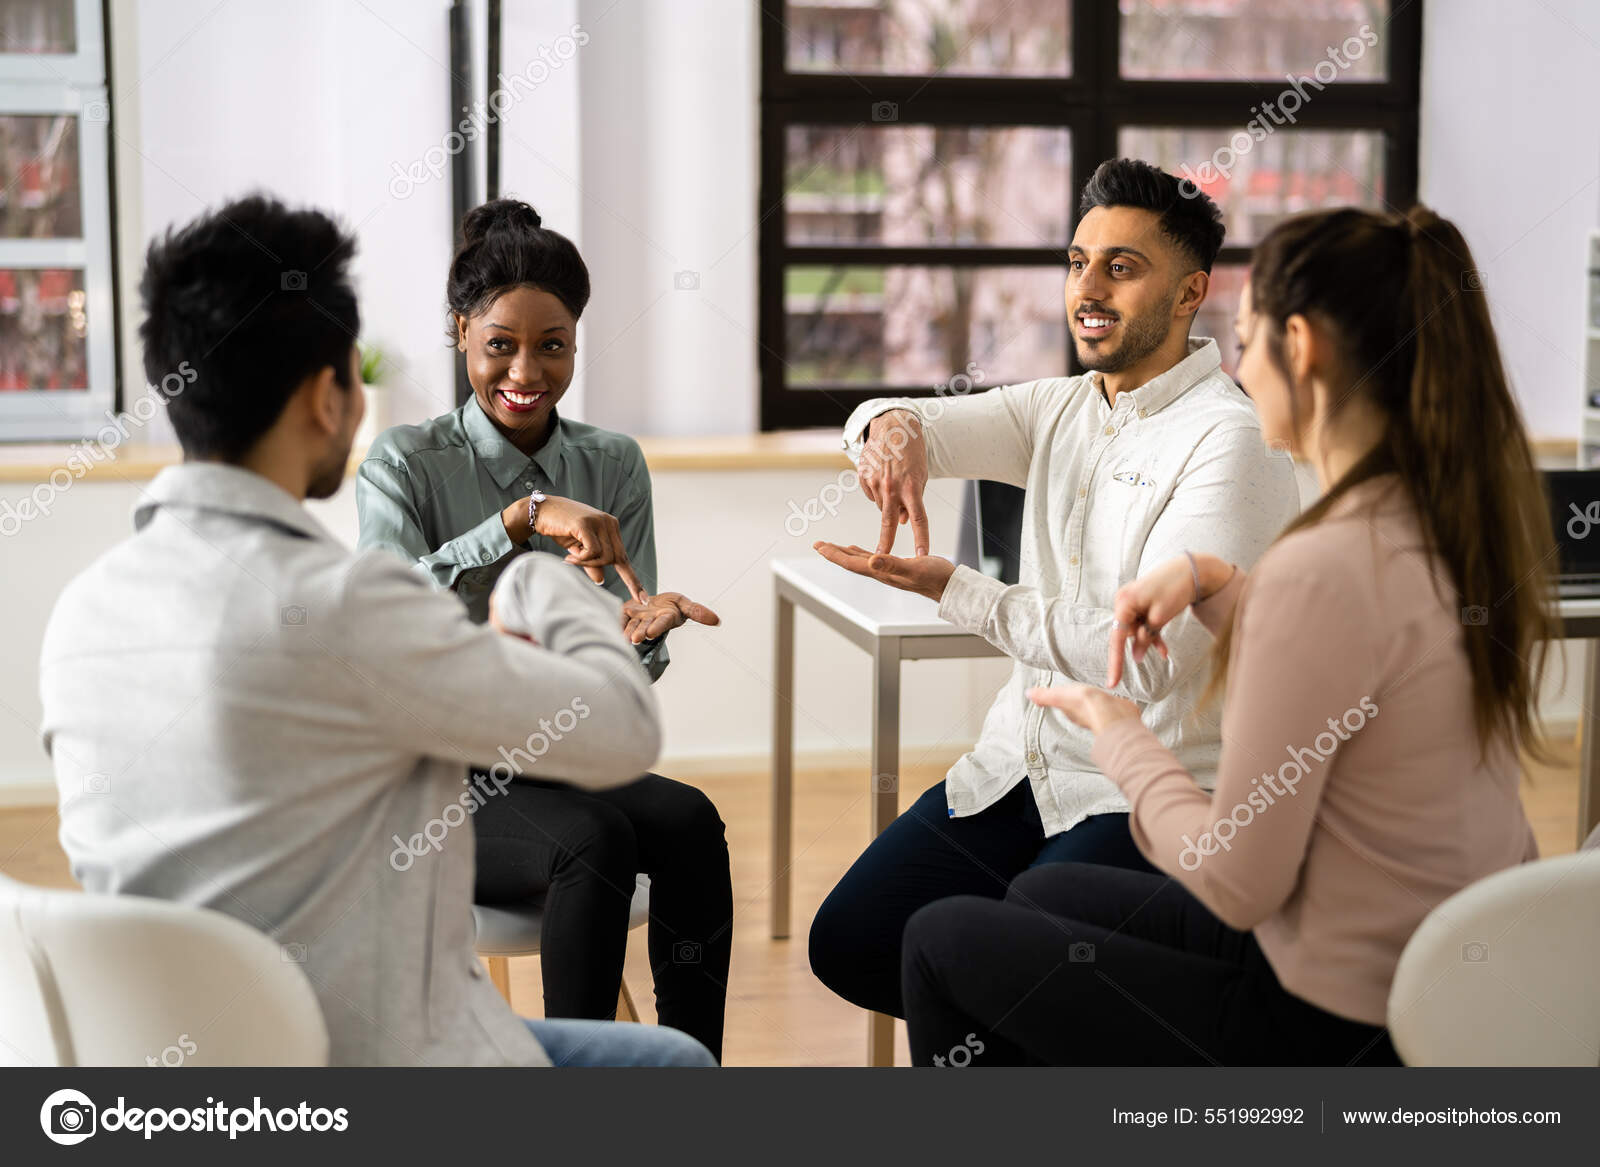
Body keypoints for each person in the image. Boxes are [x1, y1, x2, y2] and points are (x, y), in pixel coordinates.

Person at [38, 194, 714, 1068]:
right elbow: (622, 729)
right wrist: (543, 577)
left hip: (170, 1066)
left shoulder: (82, 611)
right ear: (328, 397)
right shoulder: (349, 600)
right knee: (670, 1061)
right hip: (370, 1053)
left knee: (679, 828)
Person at [901, 204, 1555, 1066]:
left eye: (1245, 342)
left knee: (938, 940)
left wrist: (1125, 740)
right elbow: (1369, 651)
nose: (1237, 370)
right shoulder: (1451, 525)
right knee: (1047, 892)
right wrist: (1227, 588)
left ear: (1303, 346)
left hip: (1330, 1020)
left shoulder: (1318, 563)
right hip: (1443, 962)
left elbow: (1240, 883)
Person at [805, 158, 1301, 1021]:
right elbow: (898, 416)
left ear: (1190, 294)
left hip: (1144, 791)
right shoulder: (1062, 407)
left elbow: (1142, 666)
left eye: (1122, 266)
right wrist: (885, 432)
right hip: (1019, 772)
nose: (1089, 288)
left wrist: (962, 594)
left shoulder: (1233, 440)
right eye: (1078, 262)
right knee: (851, 939)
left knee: (1004, 968)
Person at [356, 199, 732, 1060]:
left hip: (549, 751)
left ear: (576, 342)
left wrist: (640, 636)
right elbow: (390, 625)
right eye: (500, 344)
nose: (526, 370)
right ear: (462, 335)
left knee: (689, 823)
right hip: (429, 773)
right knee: (595, 842)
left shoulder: (611, 463)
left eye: (552, 344)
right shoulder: (403, 463)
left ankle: (693, 1080)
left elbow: (618, 686)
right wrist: (517, 520)